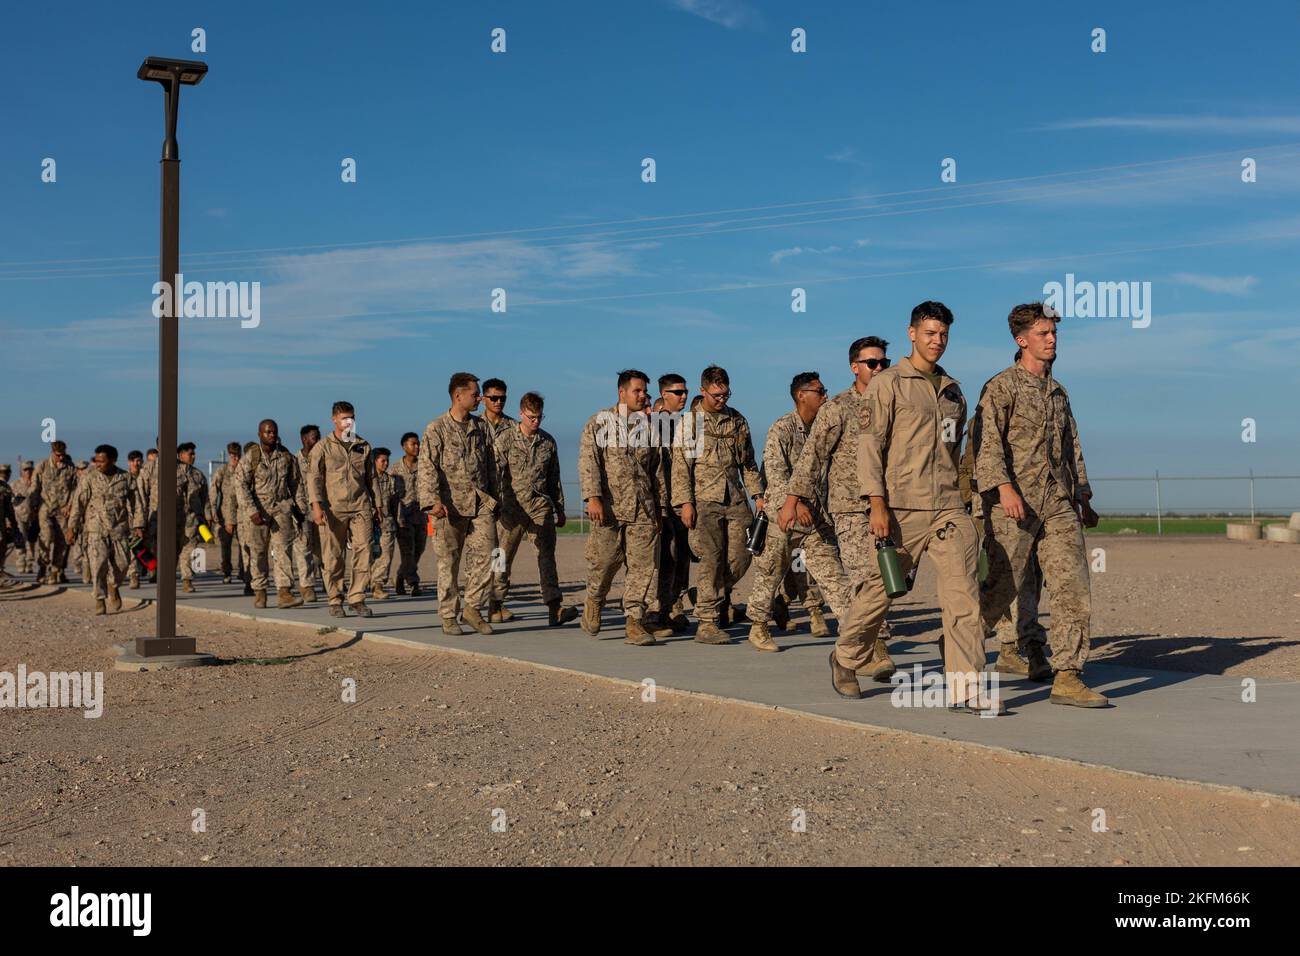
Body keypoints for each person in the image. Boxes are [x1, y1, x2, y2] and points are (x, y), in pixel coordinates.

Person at [836, 301, 998, 714]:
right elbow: (869, 446)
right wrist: (876, 503)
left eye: (943, 334)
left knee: (963, 597)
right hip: (900, 506)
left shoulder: (953, 390)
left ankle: (966, 686)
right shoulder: (887, 384)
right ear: (912, 334)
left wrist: (966, 500)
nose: (937, 341)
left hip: (947, 507)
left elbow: (957, 451)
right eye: (929, 333)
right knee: (880, 593)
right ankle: (846, 656)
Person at [973, 302, 1108, 708]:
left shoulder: (1058, 392)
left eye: (1053, 333)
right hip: (1012, 505)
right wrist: (1003, 488)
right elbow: (985, 444)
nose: (1051, 340)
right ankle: (961, 651)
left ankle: (1068, 675)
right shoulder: (1001, 387)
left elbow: (1072, 447)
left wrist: (1082, 495)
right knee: (1001, 588)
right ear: (1021, 340)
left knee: (1072, 589)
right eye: (1043, 334)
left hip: (1058, 502)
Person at [784, 335, 896, 679]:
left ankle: (855, 647)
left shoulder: (895, 402)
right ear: (855, 367)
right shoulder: (838, 408)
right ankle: (876, 649)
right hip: (849, 507)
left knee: (895, 578)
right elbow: (812, 455)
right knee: (866, 578)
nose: (879, 369)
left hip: (890, 505)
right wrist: (792, 500)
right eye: (871, 363)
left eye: (883, 363)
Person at [747, 373, 854, 652]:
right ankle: (758, 627)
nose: (825, 396)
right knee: (770, 573)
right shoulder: (781, 429)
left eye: (825, 390)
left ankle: (855, 636)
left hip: (816, 520)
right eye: (819, 391)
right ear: (801, 395)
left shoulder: (824, 428)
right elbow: (775, 472)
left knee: (834, 576)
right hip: (781, 518)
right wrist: (794, 503)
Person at [672, 365, 765, 644]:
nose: (721, 399)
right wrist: (685, 504)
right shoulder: (690, 423)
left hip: (735, 499)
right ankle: (707, 623)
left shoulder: (737, 421)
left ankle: (708, 594)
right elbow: (681, 467)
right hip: (704, 500)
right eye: (716, 395)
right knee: (711, 558)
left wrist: (758, 496)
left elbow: (747, 463)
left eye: (725, 394)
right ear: (703, 391)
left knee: (742, 555)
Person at [578, 369, 670, 645]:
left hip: (643, 506)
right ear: (622, 393)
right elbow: (588, 460)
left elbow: (656, 471)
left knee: (643, 567)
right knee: (605, 562)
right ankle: (594, 600)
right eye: (637, 391)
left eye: (644, 391)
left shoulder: (649, 428)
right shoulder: (599, 422)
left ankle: (634, 621)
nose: (643, 396)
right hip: (609, 507)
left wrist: (660, 508)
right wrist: (592, 497)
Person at [419, 372, 500, 635]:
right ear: (458, 396)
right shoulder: (436, 429)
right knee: (449, 564)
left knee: (489, 556)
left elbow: (490, 466)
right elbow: (427, 467)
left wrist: (494, 498)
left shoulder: (481, 427)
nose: (480, 398)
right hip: (448, 507)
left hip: (479, 503)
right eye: (475, 394)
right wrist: (432, 501)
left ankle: (473, 608)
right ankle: (448, 615)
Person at [493, 391, 580, 626]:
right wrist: (493, 504)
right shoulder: (505, 439)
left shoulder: (548, 442)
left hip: (539, 506)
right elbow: (494, 473)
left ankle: (554, 608)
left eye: (539, 417)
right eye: (531, 417)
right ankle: (495, 601)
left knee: (546, 556)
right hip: (510, 508)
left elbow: (554, 477)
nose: (536, 421)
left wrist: (560, 508)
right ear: (521, 413)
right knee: (500, 556)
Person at [308, 401, 379, 619]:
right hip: (333, 508)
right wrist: (317, 506)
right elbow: (314, 478)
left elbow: (371, 478)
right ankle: (335, 599)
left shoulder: (363, 445)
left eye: (351, 418)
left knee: (364, 550)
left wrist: (378, 505)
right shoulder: (323, 447)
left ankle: (357, 598)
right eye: (344, 418)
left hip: (360, 506)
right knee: (334, 556)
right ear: (334, 420)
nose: (348, 422)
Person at [236, 420, 307, 610]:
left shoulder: (286, 457)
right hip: (258, 513)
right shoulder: (251, 457)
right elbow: (240, 485)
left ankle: (284, 593)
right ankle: (260, 591)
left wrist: (300, 510)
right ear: (260, 434)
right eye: (267, 432)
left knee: (283, 550)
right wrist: (251, 511)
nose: (272, 435)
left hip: (281, 510)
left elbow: (296, 484)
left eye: (274, 432)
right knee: (258, 553)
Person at [67, 445, 136, 615]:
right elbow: (78, 504)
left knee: (123, 564)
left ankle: (113, 586)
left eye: (102, 461)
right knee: (98, 565)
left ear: (112, 460)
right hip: (96, 528)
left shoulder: (125, 478)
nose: (97, 464)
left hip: (119, 529)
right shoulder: (89, 478)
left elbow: (137, 504)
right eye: (96, 460)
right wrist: (72, 527)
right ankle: (99, 599)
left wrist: (139, 525)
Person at [651, 373, 692, 632]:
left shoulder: (688, 425)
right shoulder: (650, 426)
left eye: (685, 391)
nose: (683, 396)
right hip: (661, 501)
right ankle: (656, 611)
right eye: (678, 392)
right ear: (664, 395)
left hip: (683, 501)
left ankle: (674, 604)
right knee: (664, 557)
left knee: (682, 557)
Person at [33, 440, 78, 585]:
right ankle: (42, 568)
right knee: (46, 536)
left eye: (63, 454)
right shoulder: (43, 466)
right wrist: (32, 507)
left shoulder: (70, 467)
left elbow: (75, 489)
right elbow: (35, 487)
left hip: (63, 510)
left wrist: (70, 506)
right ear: (53, 452)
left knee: (62, 541)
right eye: (58, 455)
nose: (61, 458)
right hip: (45, 507)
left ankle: (55, 571)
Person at [389, 432, 425, 596]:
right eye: (413, 444)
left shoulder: (425, 466)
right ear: (404, 446)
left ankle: (400, 576)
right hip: (402, 517)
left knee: (418, 550)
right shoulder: (395, 469)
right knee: (407, 551)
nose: (417, 447)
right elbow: (389, 494)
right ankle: (414, 582)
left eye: (418, 444)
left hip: (421, 516)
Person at [294, 425, 324, 603]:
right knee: (303, 549)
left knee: (322, 550)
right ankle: (307, 586)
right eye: (315, 437)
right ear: (305, 440)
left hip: (320, 509)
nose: (318, 440)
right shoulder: (293, 461)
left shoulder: (322, 459)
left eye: (319, 437)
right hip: (301, 511)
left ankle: (329, 582)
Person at [211, 442, 247, 587]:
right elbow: (213, 490)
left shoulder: (244, 471)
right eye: (233, 456)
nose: (235, 459)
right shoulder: (222, 471)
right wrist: (213, 513)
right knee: (225, 546)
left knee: (244, 545)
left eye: (238, 456)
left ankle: (244, 571)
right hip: (225, 515)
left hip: (242, 514)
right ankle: (226, 572)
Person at [371, 447, 397, 600]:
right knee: (369, 555)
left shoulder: (390, 480)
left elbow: (394, 502)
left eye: (387, 461)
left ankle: (378, 585)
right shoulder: (365, 479)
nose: (386, 464)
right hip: (368, 524)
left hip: (386, 523)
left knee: (385, 556)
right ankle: (367, 582)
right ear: (374, 462)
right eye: (383, 461)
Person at [122, 451, 145, 588]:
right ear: (129, 462)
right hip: (130, 518)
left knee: (147, 547)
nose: (136, 463)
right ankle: (133, 576)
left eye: (139, 460)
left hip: (147, 516)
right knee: (133, 547)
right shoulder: (124, 478)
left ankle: (151, 570)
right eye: (134, 461)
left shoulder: (146, 477)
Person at [12, 461, 39, 575]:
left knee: (31, 541)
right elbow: (10, 502)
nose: (28, 472)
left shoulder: (36, 484)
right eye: (25, 470)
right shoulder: (15, 484)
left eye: (30, 469)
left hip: (33, 516)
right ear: (21, 471)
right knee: (20, 540)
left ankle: (29, 564)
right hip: (19, 517)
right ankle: (21, 564)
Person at [0, 464, 17, 586]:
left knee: (3, 544)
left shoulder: (5, 487)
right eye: (2, 472)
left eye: (7, 472)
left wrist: (13, 524)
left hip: (1, 523)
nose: (5, 474)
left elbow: (9, 508)